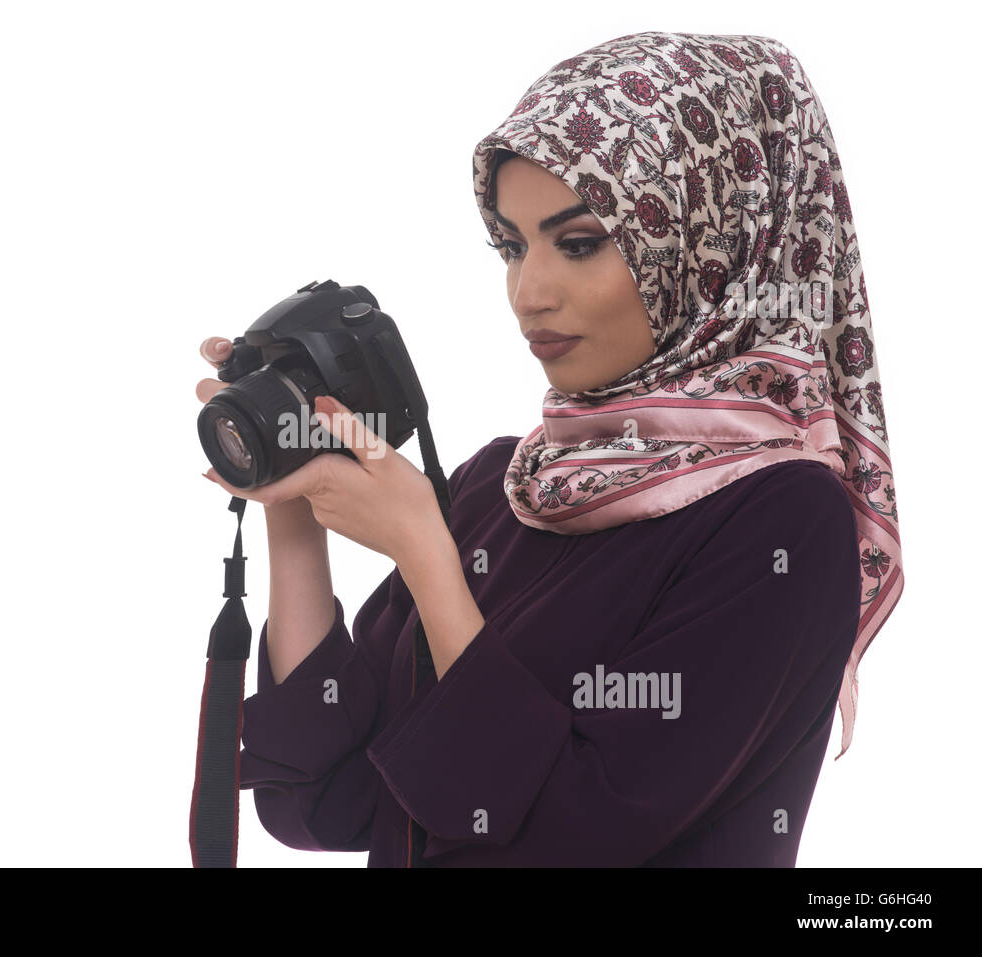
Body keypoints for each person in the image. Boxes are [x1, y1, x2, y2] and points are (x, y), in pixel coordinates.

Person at [195, 31, 904, 866]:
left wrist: (425, 553)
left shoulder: (783, 520)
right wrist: (290, 495)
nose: (528, 293)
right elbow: (323, 801)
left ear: (712, 242)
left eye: (579, 242)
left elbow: (570, 835)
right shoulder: (502, 487)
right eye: (510, 245)